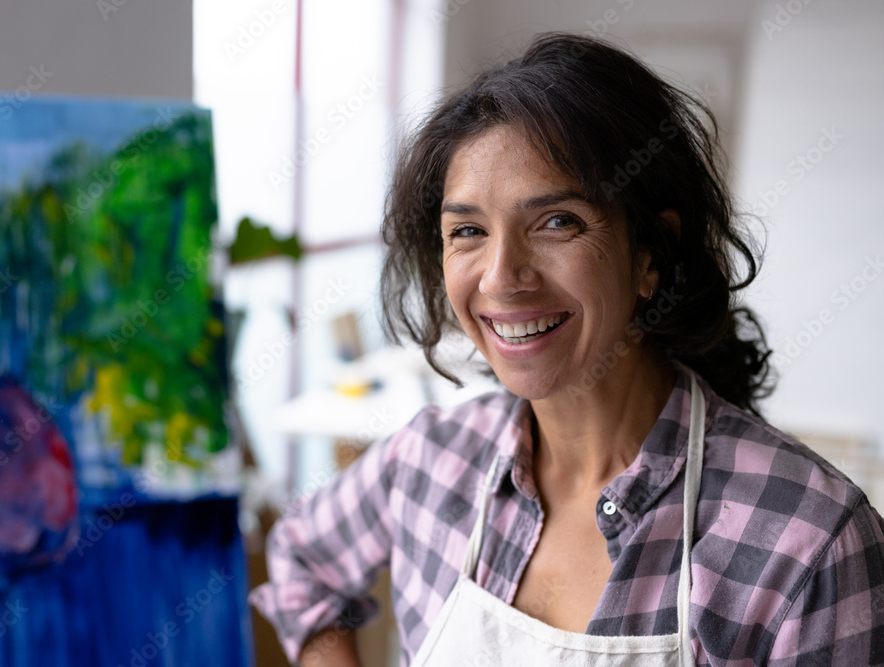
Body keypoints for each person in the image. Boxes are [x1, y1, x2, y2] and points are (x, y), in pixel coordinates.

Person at [250, 33, 884, 666]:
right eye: (467, 231)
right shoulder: (429, 463)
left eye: (557, 222)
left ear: (650, 254)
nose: (501, 278)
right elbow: (303, 559)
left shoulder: (811, 543)